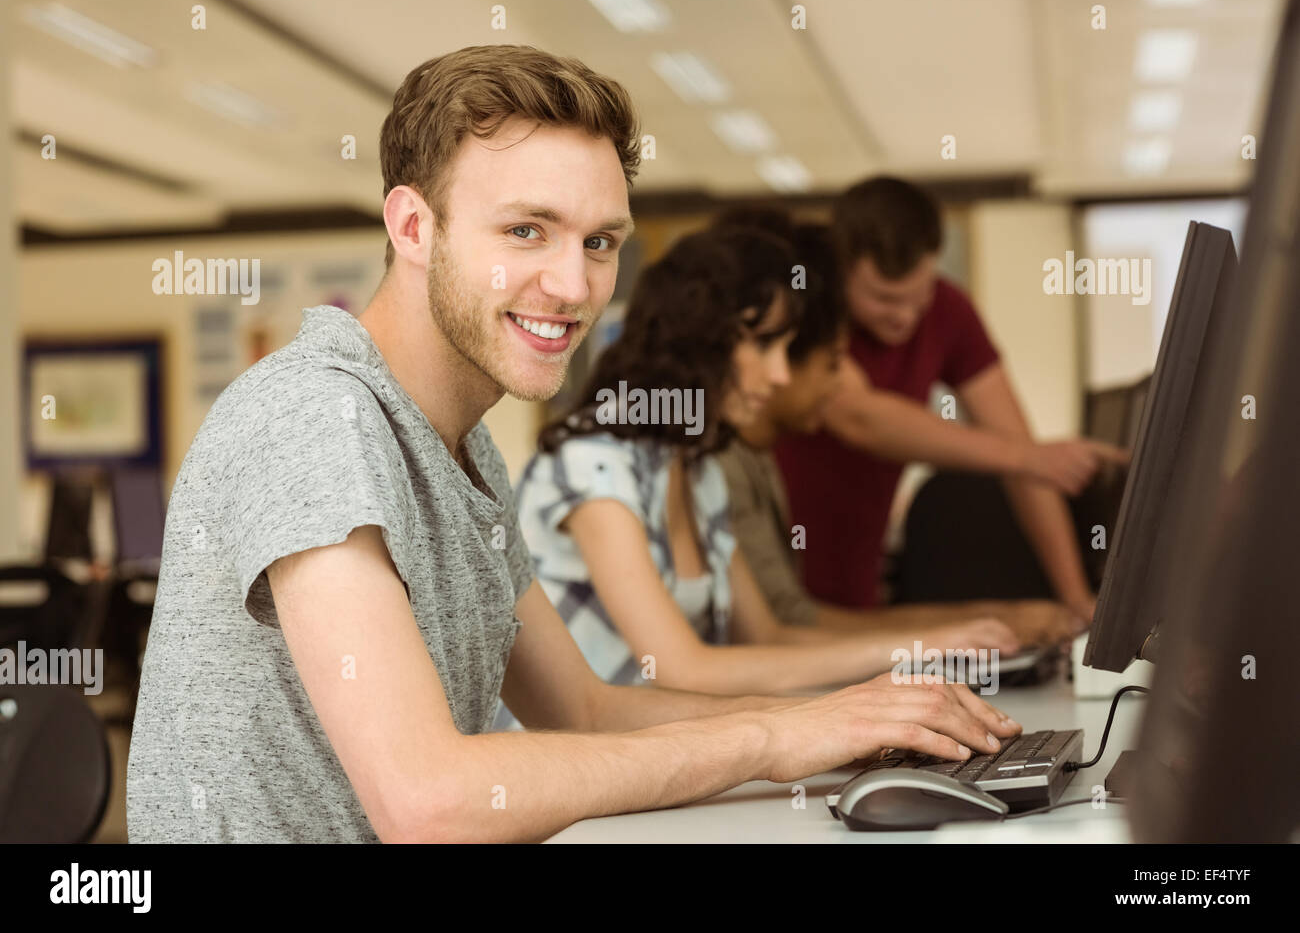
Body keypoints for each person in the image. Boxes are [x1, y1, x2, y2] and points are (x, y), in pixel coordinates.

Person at [125, 46, 1022, 844]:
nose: (572, 283)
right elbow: (427, 804)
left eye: (600, 242)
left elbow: (585, 709)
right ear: (411, 226)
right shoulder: (314, 416)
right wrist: (773, 737)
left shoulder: (466, 453)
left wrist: (841, 720)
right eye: (526, 230)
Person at [510, 223, 1022, 706]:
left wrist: (930, 647)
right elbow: (684, 670)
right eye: (765, 345)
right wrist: (913, 651)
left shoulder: (698, 467)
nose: (780, 375)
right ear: (701, 339)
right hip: (570, 778)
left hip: (653, 767)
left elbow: (768, 636)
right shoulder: (594, 459)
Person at [773, 177, 1127, 622]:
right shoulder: (815, 305)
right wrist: (1026, 457)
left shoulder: (948, 310)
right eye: (884, 298)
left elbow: (1021, 455)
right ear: (842, 269)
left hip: (858, 581)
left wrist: (1077, 600)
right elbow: (858, 417)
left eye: (918, 294)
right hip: (780, 572)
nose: (904, 315)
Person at [713, 215, 1077, 645]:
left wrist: (1071, 600)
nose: (838, 389)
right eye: (834, 365)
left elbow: (776, 630)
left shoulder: (745, 458)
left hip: (842, 607)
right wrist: (981, 626)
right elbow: (777, 633)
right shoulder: (718, 465)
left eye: (918, 297)